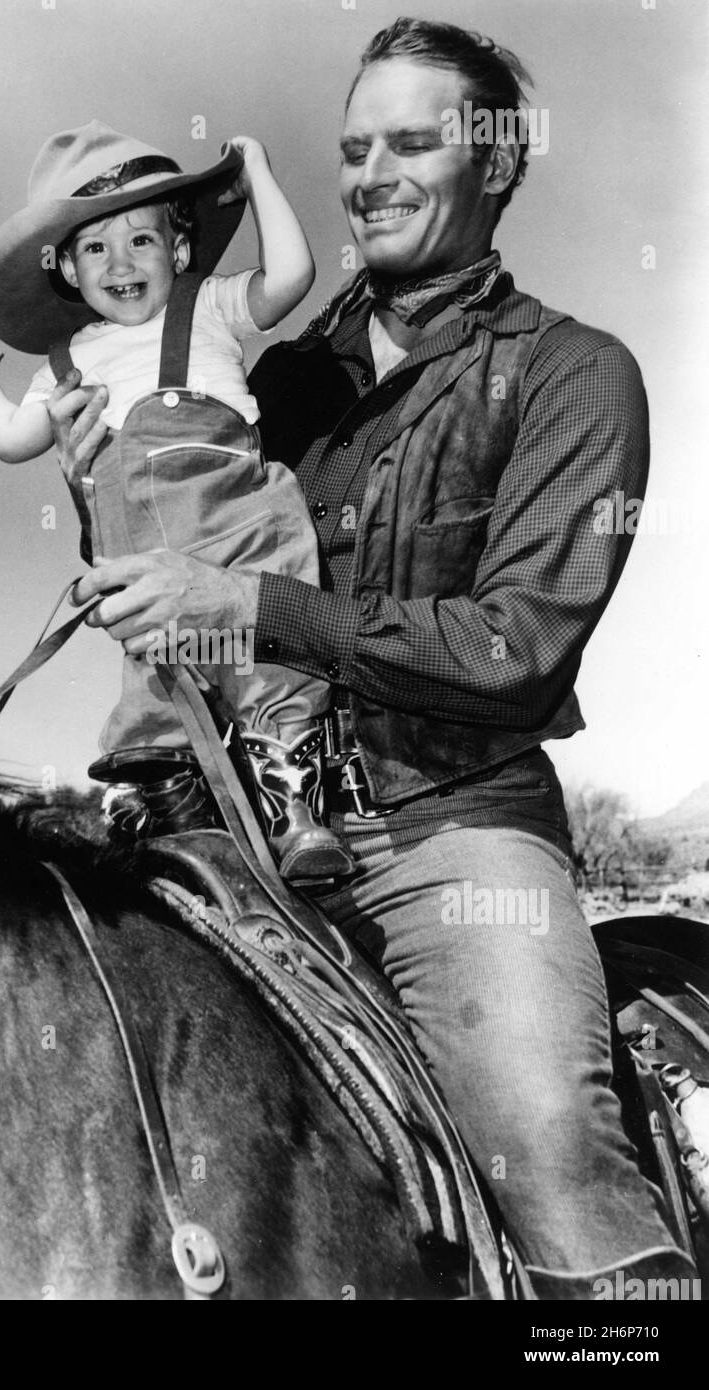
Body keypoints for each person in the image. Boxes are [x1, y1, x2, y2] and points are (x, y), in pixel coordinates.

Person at [54, 21, 699, 1297]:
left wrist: (253, 602)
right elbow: (166, 574)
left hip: (448, 827)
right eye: (355, 147)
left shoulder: (575, 375)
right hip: (215, 820)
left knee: (550, 1152)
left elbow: (512, 648)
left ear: (497, 166)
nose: (372, 173)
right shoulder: (268, 378)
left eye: (414, 141)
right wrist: (101, 482)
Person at [0, 121, 354, 881]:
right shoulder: (65, 364)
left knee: (266, 665)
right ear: (66, 269)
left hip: (238, 531)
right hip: (141, 565)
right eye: (94, 248)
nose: (120, 261)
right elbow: (10, 438)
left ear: (180, 249)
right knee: (158, 693)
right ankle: (174, 815)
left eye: (141, 240)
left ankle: (293, 805)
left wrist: (258, 171)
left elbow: (291, 277)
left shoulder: (208, 308)